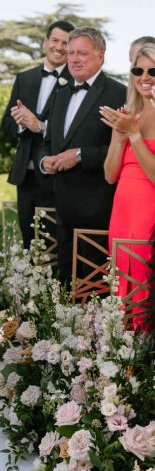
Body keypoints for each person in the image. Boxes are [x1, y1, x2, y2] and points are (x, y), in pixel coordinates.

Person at [39, 26, 126, 285]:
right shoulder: (61, 93)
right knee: (66, 282)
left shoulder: (118, 93)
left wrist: (79, 155)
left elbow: (123, 148)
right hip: (62, 206)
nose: (74, 59)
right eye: (71, 53)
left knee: (95, 287)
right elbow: (47, 141)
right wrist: (45, 161)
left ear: (100, 55)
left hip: (98, 209)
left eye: (82, 54)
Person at [2, 20, 74, 249]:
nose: (59, 47)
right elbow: (6, 124)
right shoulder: (24, 78)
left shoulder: (76, 83)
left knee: (55, 242)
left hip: (57, 176)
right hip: (25, 176)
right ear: (45, 42)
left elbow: (73, 132)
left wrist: (40, 126)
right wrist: (23, 124)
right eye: (55, 40)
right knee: (28, 239)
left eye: (66, 43)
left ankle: (55, 285)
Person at [102, 44, 155, 330]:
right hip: (122, 209)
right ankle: (122, 349)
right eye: (138, 70)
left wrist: (134, 135)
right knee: (120, 278)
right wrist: (119, 139)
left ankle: (143, 352)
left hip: (149, 210)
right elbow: (110, 175)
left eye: (152, 70)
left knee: (144, 278)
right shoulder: (128, 112)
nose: (144, 77)